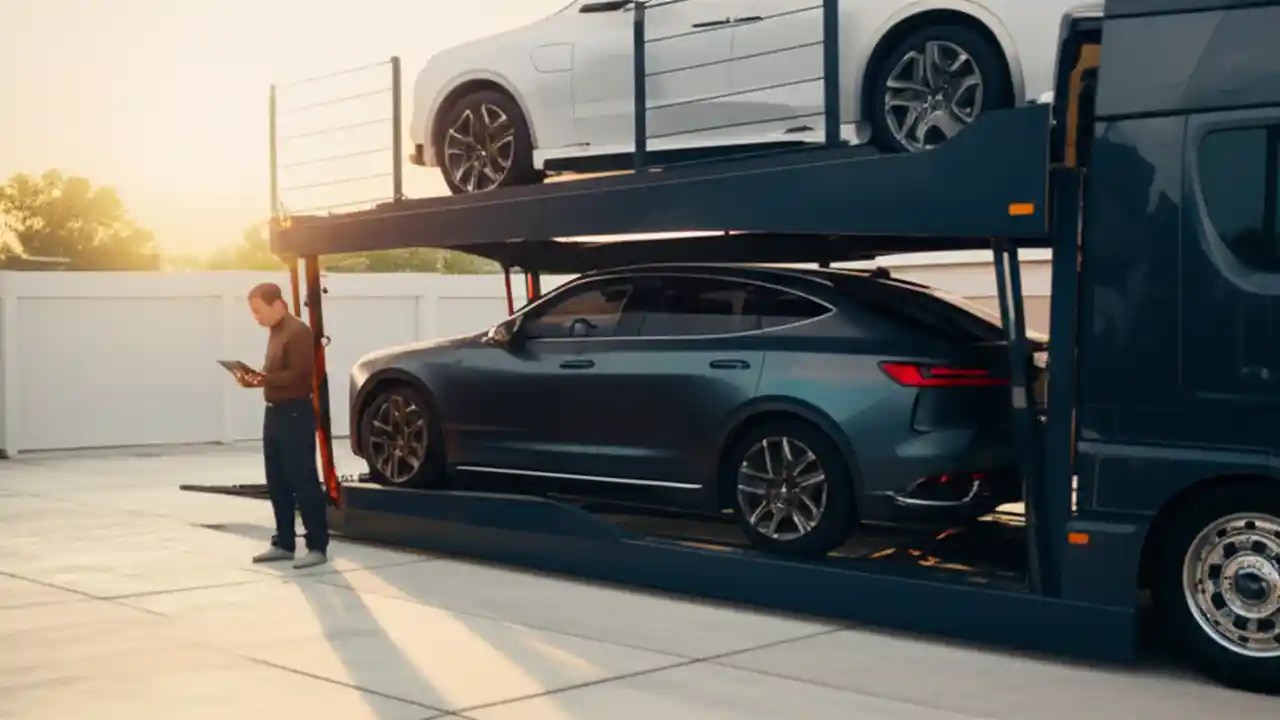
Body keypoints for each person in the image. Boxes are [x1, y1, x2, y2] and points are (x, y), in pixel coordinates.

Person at [236, 282, 330, 569]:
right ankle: (284, 542)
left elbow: (299, 375)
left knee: (303, 480)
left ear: (277, 304)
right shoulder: (275, 331)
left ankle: (317, 545)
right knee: (277, 480)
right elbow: (277, 374)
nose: (257, 318)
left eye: (258, 311)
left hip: (294, 414)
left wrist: (263, 379)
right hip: (274, 413)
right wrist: (254, 379)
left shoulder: (298, 331)